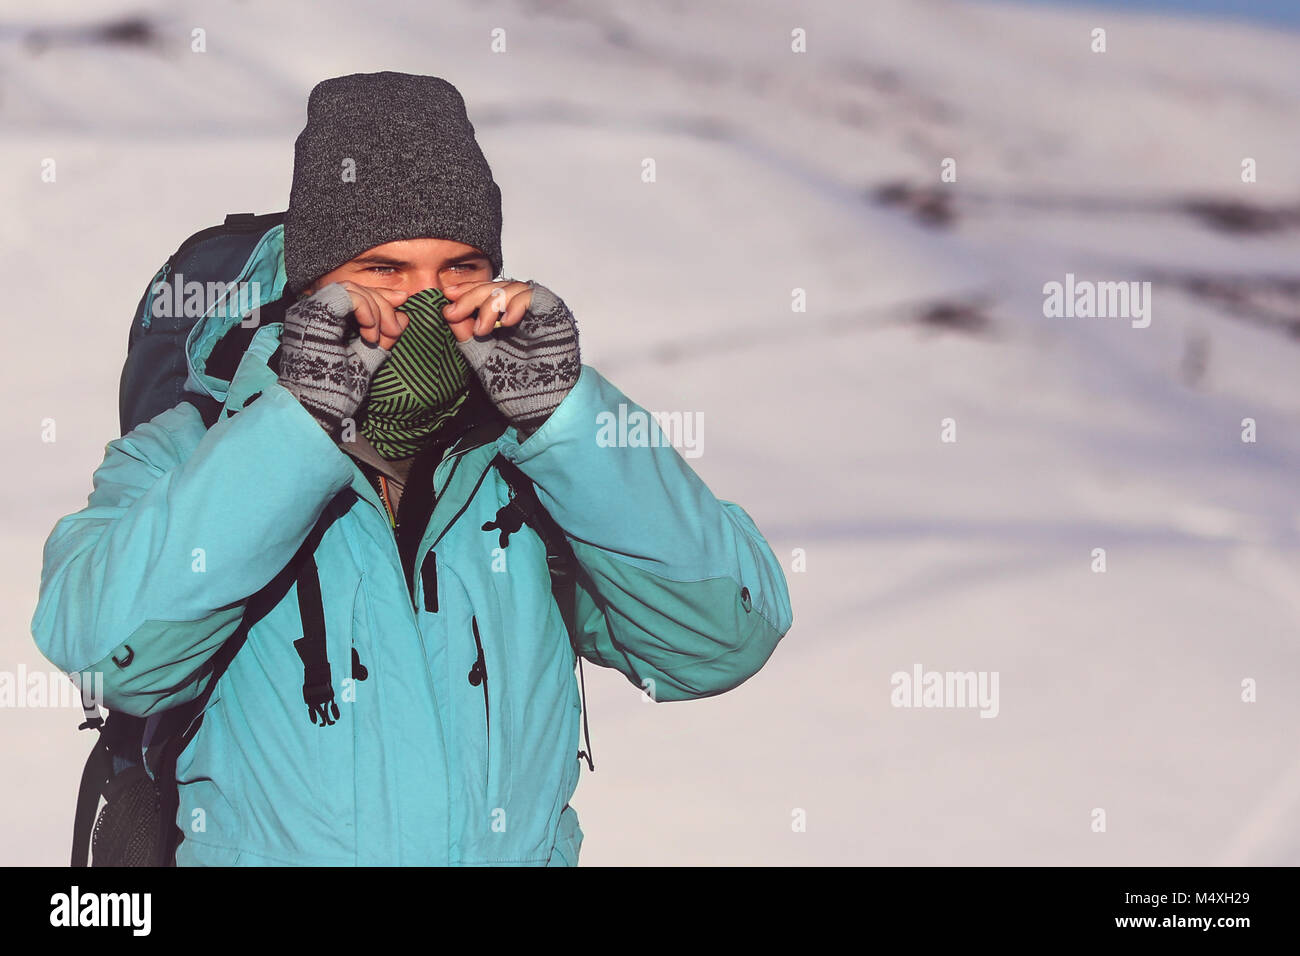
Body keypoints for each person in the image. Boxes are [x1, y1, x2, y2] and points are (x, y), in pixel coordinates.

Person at [30, 71, 793, 866]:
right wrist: (298, 428)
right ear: (313, 286)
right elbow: (109, 651)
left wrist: (568, 420)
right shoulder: (196, 445)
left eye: (458, 269)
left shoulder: (527, 471)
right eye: (384, 271)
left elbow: (720, 640)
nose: (424, 303)